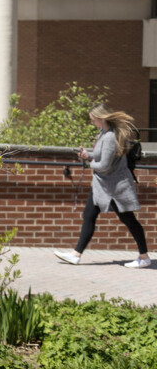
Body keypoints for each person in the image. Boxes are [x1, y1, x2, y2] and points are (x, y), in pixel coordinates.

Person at [55, 103, 151, 268]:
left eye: (93, 120)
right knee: (89, 215)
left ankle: (144, 257)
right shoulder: (104, 133)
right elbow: (102, 155)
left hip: (114, 188)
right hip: (103, 186)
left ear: (101, 118)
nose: (92, 123)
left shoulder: (109, 137)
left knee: (128, 219)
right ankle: (76, 255)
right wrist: (88, 155)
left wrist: (89, 164)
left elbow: (105, 165)